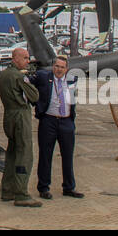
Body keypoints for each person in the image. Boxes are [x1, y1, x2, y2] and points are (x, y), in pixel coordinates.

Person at [28, 55, 83, 199]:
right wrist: (34, 102)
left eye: (62, 67)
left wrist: (71, 118)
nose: (59, 69)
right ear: (53, 67)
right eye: (57, 66)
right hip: (48, 121)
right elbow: (26, 82)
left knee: (68, 156)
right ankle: (43, 187)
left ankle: (69, 187)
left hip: (66, 122)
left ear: (67, 69)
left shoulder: (72, 80)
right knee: (46, 155)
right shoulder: (43, 77)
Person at [0, 47, 42, 207]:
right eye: (24, 58)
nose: (27, 61)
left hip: (8, 115)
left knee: (11, 153)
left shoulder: (4, 75)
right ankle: (21, 193)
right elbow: (34, 96)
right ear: (15, 59)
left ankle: (7, 190)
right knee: (25, 154)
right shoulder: (18, 76)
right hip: (20, 117)